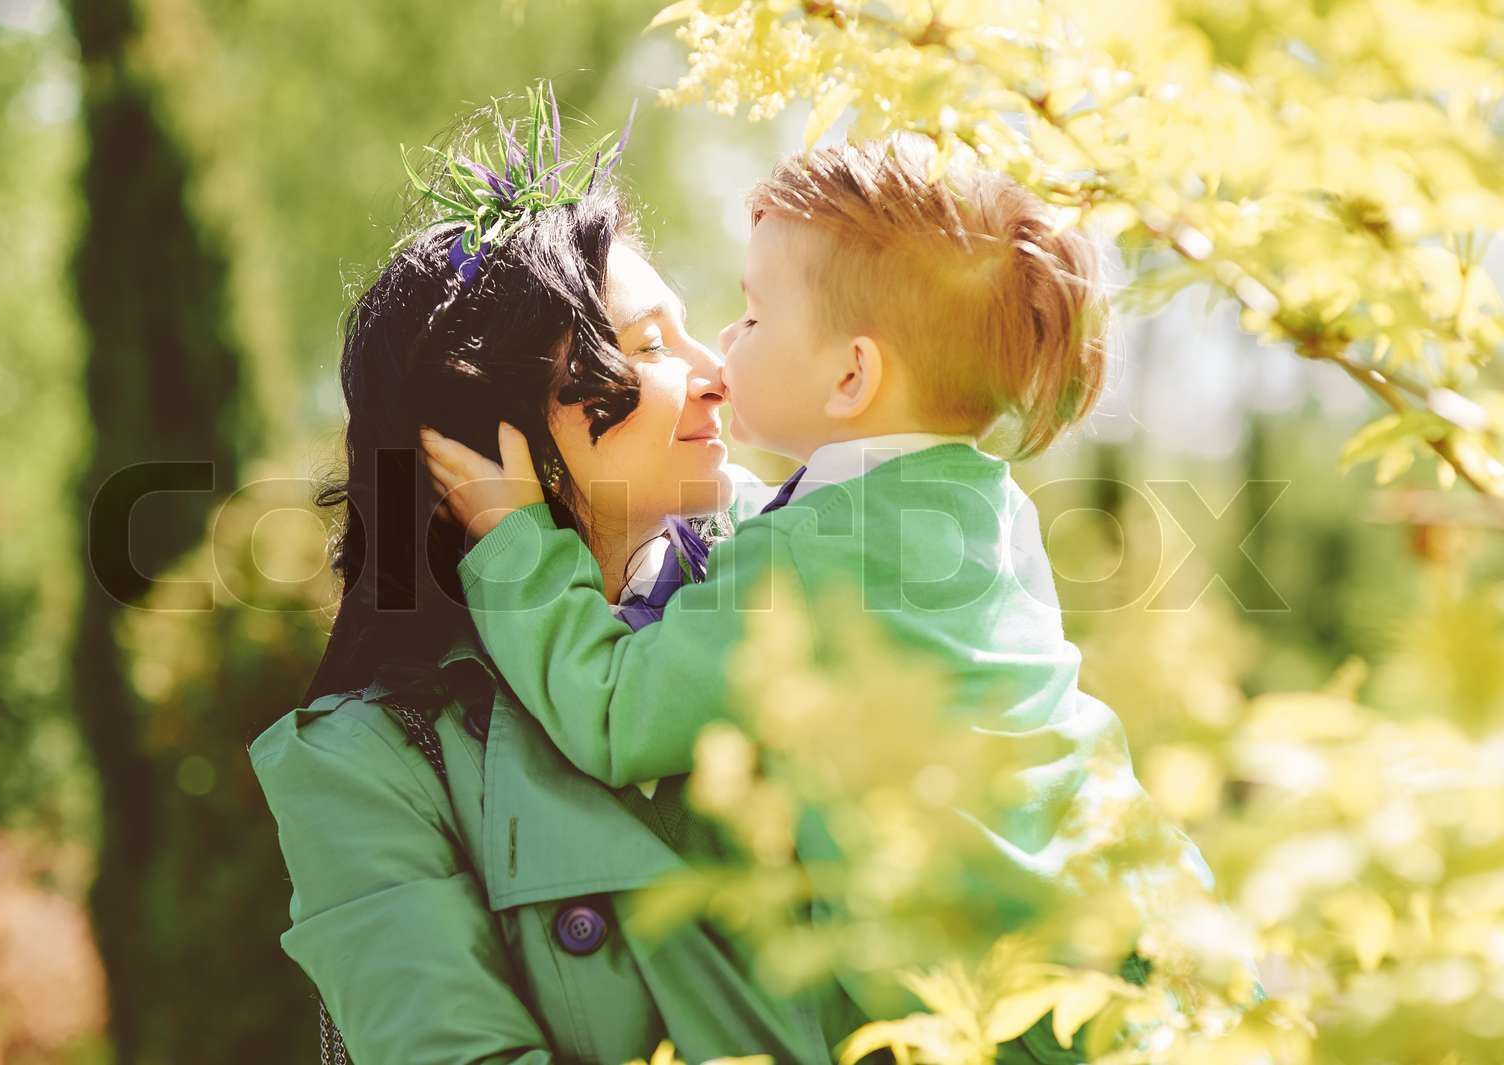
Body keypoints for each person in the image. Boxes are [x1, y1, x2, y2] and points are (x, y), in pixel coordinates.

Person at [423, 136, 1212, 1033]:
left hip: (1014, 993)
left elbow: (614, 712)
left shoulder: (807, 552)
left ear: (852, 376)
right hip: (1140, 910)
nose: (722, 350)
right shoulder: (991, 503)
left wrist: (518, 535)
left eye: (753, 320)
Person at [248, 90, 862, 1064]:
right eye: (652, 346)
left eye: (701, 331)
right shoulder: (368, 764)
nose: (717, 373)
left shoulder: (817, 578)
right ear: (480, 435)